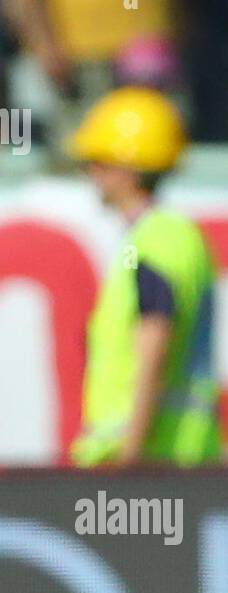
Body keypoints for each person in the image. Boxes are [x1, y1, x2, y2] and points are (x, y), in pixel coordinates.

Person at [69, 87, 223, 467]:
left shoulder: (154, 239)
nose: (90, 172)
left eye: (99, 161)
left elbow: (154, 343)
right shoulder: (169, 236)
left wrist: (130, 456)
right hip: (174, 456)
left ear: (129, 166)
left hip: (152, 457)